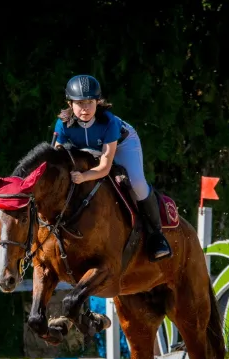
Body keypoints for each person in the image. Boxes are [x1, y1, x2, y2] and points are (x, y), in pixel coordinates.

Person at [53, 74, 172, 262]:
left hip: (122, 145)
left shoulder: (108, 121)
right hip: (88, 150)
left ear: (97, 102)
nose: (85, 109)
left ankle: (156, 236)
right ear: (70, 104)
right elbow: (56, 160)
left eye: (90, 102)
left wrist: (83, 177)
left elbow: (104, 167)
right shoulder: (62, 124)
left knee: (137, 182)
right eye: (80, 103)